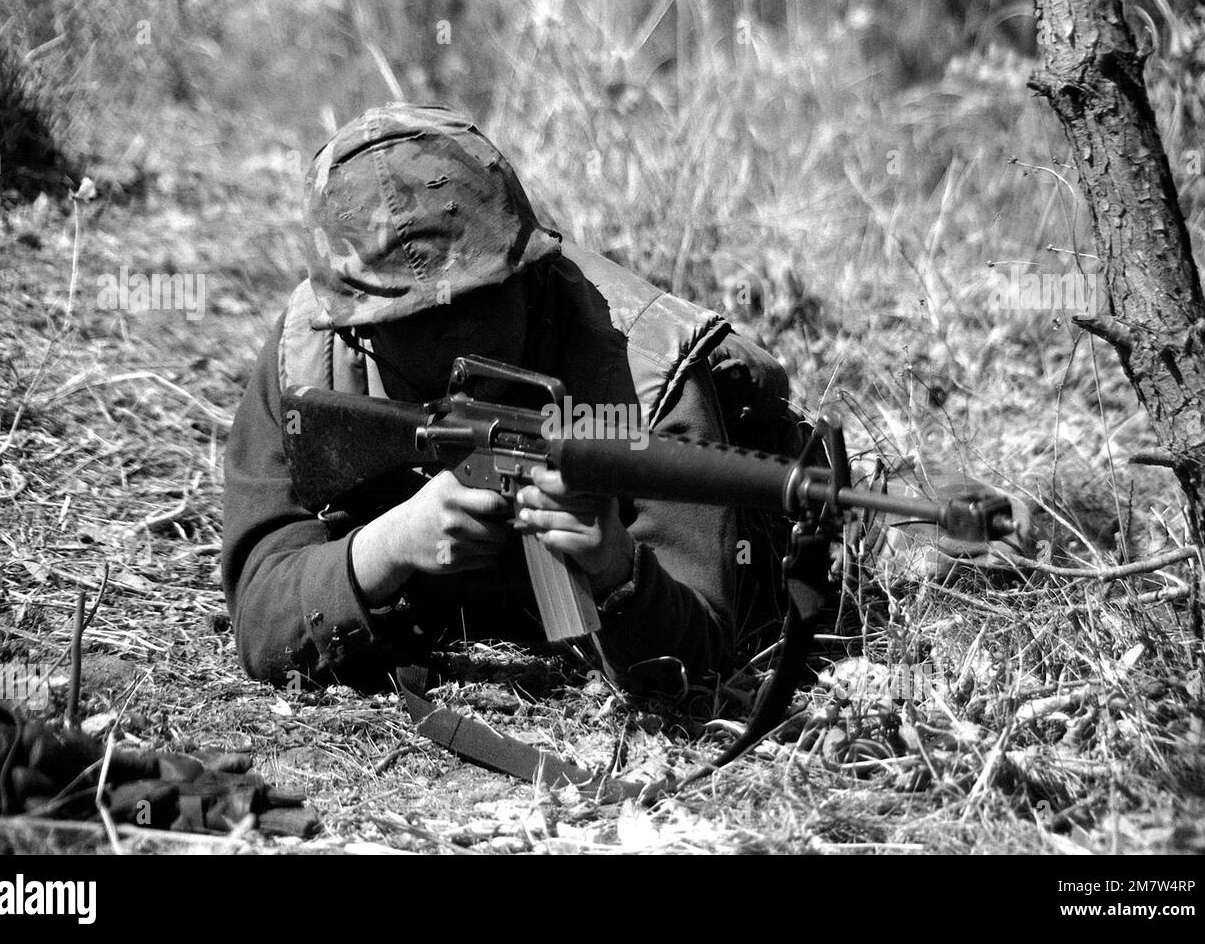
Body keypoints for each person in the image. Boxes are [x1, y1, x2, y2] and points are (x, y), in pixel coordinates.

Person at [221, 103, 795, 697]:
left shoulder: (647, 372)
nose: (453, 336)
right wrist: (389, 546)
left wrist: (617, 573)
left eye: (475, 300)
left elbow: (698, 664)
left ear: (529, 270)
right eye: (412, 321)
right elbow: (262, 617)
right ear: (356, 327)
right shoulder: (310, 359)